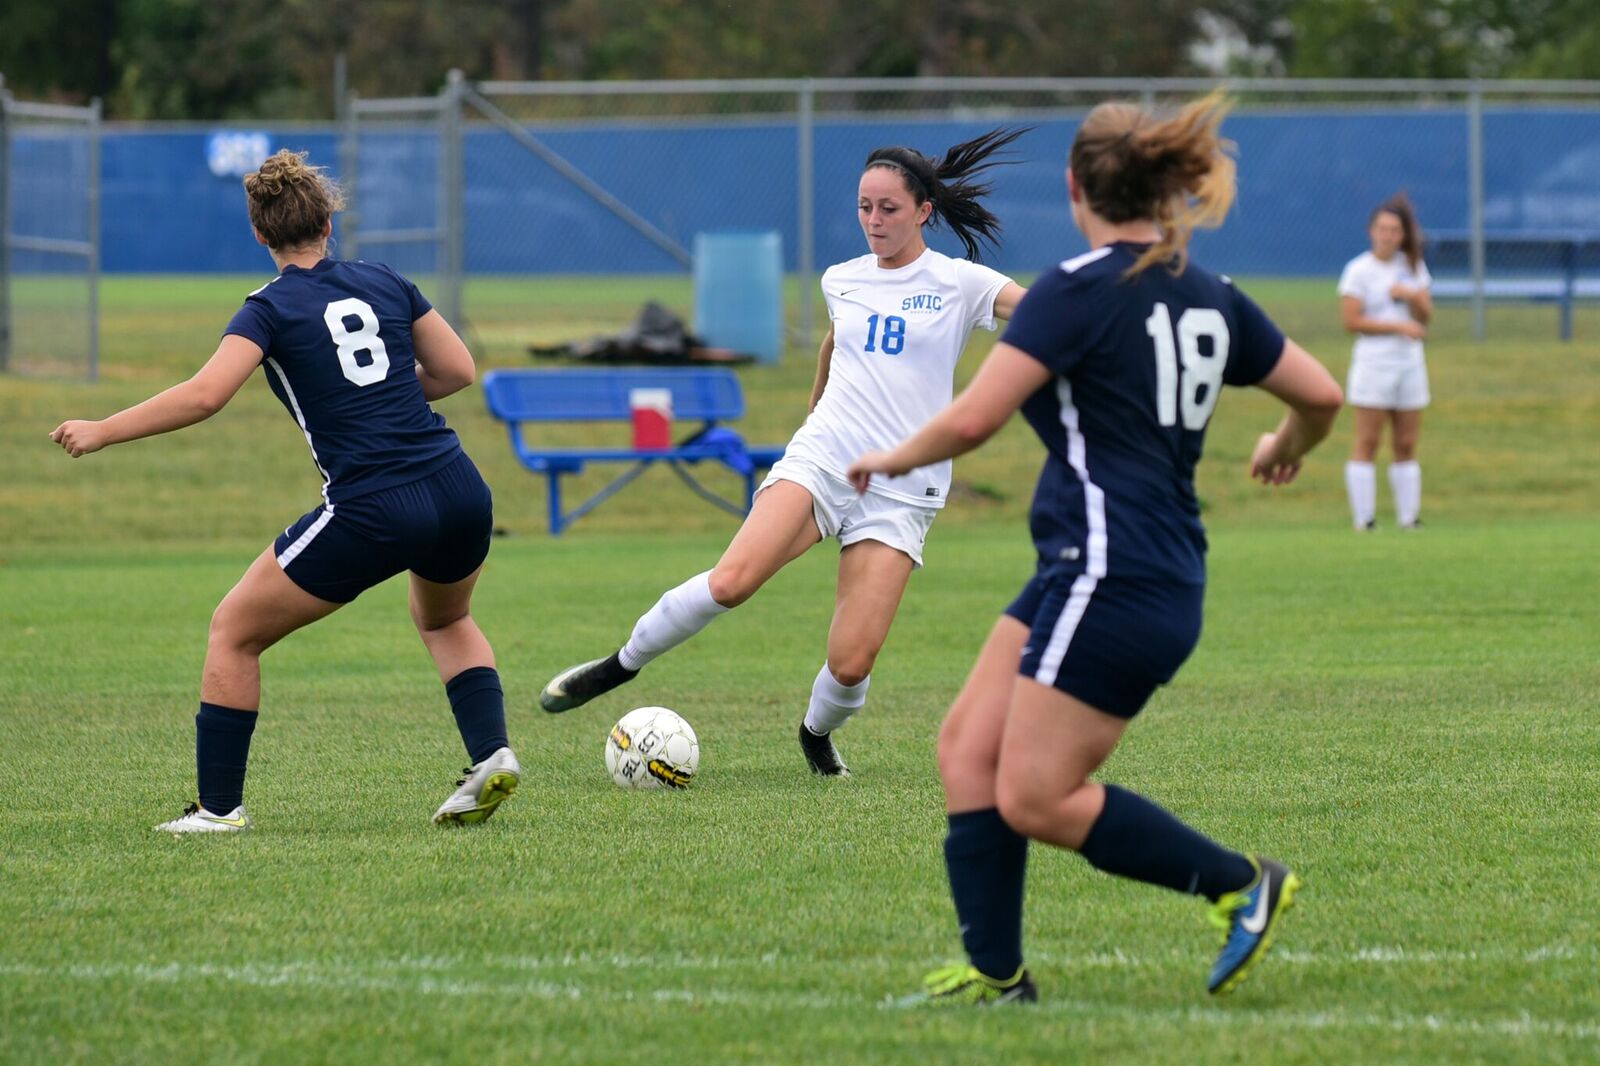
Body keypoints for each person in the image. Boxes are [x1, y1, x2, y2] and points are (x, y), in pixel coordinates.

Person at [846, 92, 1344, 1004]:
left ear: (1076, 190)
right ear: (1158, 192)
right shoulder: (1210, 292)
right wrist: (1286, 442)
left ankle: (1241, 883)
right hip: (1105, 567)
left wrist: (887, 457)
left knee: (1035, 794)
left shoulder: (1073, 290)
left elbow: (974, 418)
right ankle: (999, 977)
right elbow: (1322, 395)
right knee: (967, 750)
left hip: (1117, 576)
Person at [49, 150, 520, 833]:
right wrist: (384, 400)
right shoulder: (386, 280)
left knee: (233, 632)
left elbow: (206, 395)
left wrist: (102, 430)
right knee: (447, 621)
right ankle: (492, 753)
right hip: (458, 486)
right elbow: (457, 370)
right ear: (328, 223)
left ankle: (218, 810)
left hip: (375, 504)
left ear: (259, 233)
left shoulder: (267, 308)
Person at [538, 129, 1031, 778]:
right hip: (825, 458)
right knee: (732, 582)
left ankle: (815, 733)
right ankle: (618, 666)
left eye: (888, 208)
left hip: (903, 488)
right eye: (864, 207)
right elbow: (838, 342)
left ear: (923, 211)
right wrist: (814, 412)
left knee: (852, 663)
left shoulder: (960, 282)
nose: (874, 221)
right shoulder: (842, 279)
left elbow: (1040, 315)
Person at [1339, 194, 1432, 531]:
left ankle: (1409, 518)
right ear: (1371, 231)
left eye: (1394, 230)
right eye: (1382, 229)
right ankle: (1364, 519)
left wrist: (1413, 295)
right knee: (1368, 440)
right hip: (1374, 364)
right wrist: (1397, 327)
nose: (1388, 236)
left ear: (1403, 234)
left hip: (1409, 363)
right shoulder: (1358, 271)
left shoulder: (1413, 267)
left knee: (1406, 443)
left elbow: (1426, 316)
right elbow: (1352, 321)